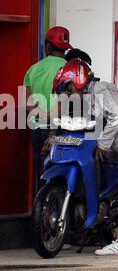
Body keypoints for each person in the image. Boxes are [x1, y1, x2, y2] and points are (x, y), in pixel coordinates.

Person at [48, 52, 118, 257]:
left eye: (69, 89)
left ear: (78, 80)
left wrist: (103, 144)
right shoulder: (93, 96)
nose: (69, 95)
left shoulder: (100, 89)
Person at [24, 26, 72, 185]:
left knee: (42, 174)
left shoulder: (32, 70)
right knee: (63, 177)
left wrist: (43, 115)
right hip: (61, 129)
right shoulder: (70, 70)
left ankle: (42, 200)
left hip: (38, 128)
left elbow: (28, 105)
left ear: (48, 46)